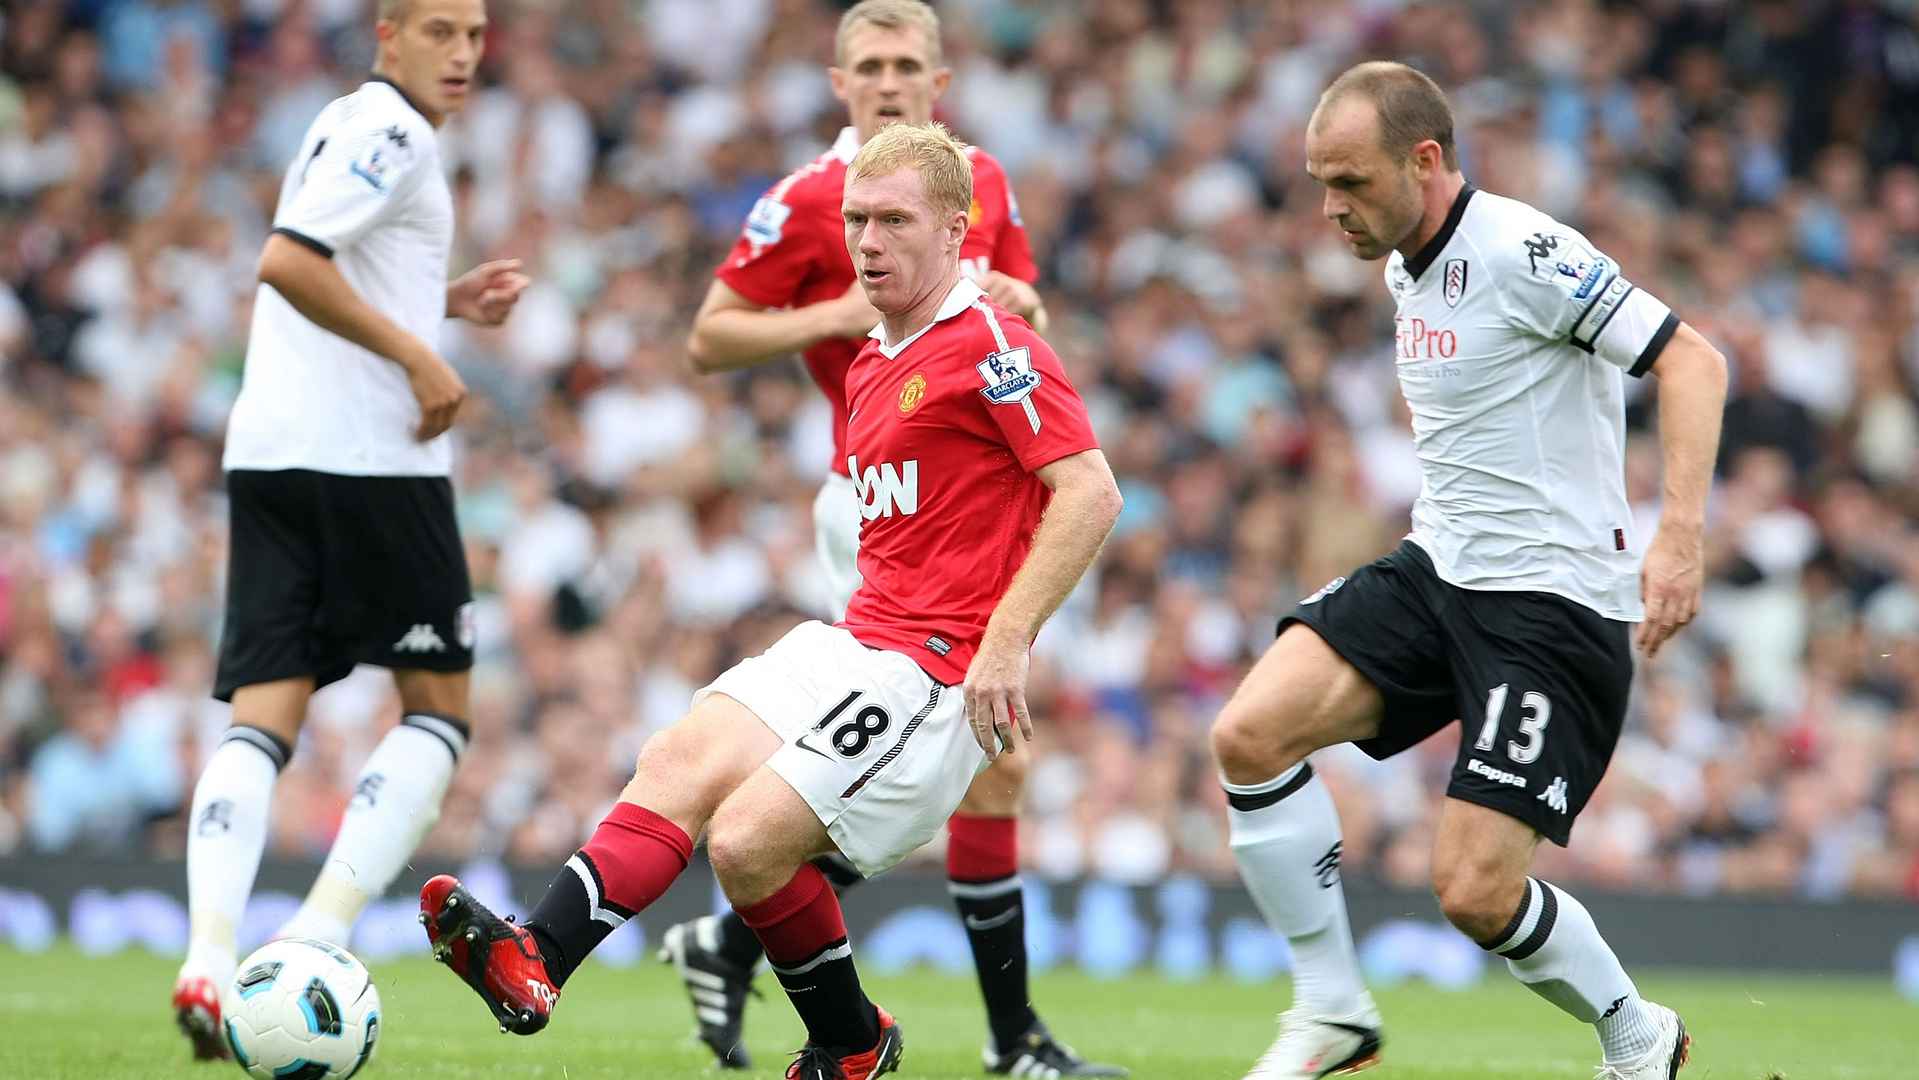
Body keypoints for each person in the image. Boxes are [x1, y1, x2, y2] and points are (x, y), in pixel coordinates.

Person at [418, 120, 1123, 1080]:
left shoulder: (991, 345)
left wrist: (1007, 641)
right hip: (862, 638)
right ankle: (536, 957)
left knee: (748, 843)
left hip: (939, 667)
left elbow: (1089, 490)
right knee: (680, 753)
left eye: (893, 222)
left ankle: (851, 1043)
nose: (867, 242)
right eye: (855, 220)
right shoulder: (873, 360)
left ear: (957, 231)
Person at [1211, 62, 1726, 1080]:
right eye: (1321, 183)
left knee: (1473, 894)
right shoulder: (1406, 262)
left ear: (1425, 161)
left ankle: (1635, 1030)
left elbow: (1690, 360)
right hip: (1437, 571)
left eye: (1350, 182)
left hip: (1548, 607)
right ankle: (1330, 1009)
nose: (1330, 210)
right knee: (1247, 734)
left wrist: (1678, 535)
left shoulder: (1519, 251)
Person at [675, 3, 1122, 1077]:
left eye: (904, 64)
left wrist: (1026, 298)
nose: (886, 81)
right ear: (838, 82)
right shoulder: (810, 198)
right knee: (964, 761)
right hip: (876, 501)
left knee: (988, 767)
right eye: (867, 65)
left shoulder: (980, 182)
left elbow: (1013, 319)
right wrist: (824, 319)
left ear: (939, 76)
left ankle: (734, 936)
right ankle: (1004, 1038)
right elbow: (710, 335)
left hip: (969, 495)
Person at [170, 0, 528, 1061]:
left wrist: (438, 305)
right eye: (439, 32)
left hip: (272, 452)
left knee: (262, 713)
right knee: (440, 709)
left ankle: (205, 957)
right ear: (386, 32)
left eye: (473, 35)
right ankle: (313, 936)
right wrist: (421, 357)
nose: (461, 55)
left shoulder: (344, 121)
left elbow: (332, 267)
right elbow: (287, 260)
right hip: (371, 461)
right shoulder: (395, 132)